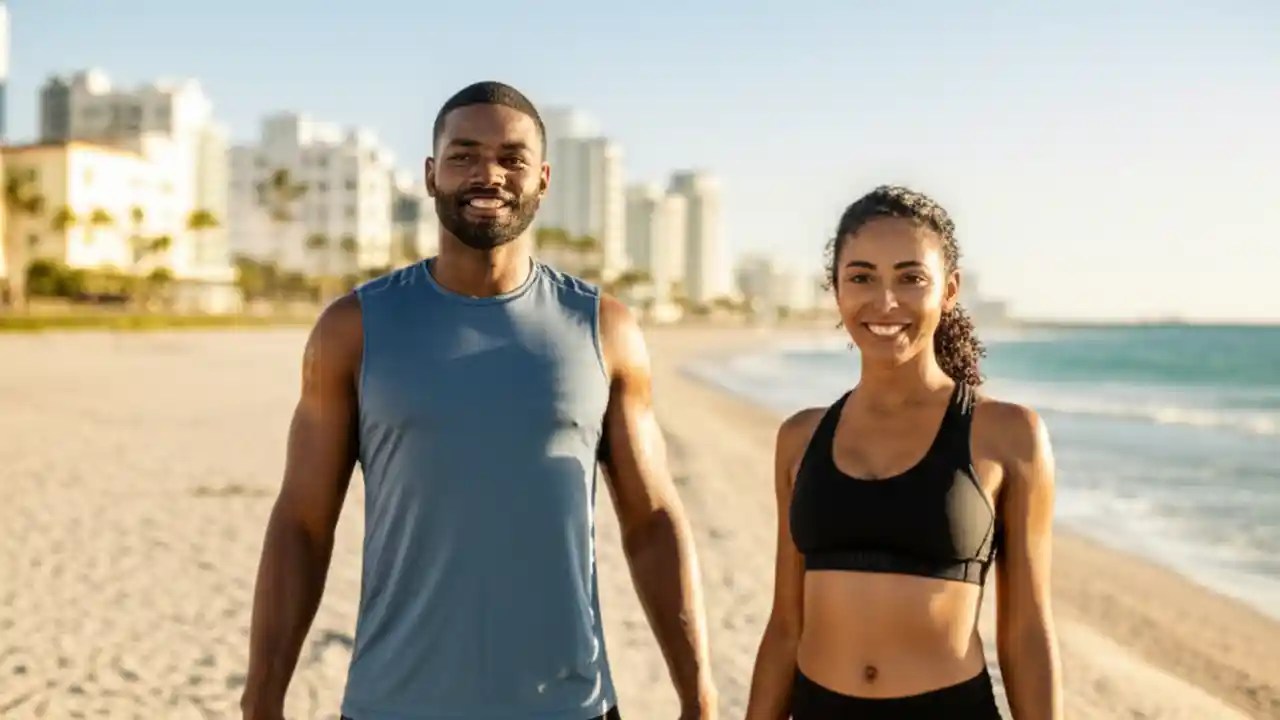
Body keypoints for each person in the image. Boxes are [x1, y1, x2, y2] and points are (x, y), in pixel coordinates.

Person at [239, 81, 717, 720]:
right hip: (394, 705)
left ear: (543, 179)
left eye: (512, 158)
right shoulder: (353, 329)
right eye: (464, 155)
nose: (488, 174)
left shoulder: (605, 330)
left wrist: (698, 695)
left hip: (570, 706)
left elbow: (653, 520)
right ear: (431, 174)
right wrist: (262, 697)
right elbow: (302, 522)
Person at [744, 185, 1062, 719]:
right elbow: (784, 626)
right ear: (837, 289)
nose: (885, 302)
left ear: (950, 289)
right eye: (862, 277)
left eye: (911, 278)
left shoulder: (1008, 435)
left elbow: (1027, 631)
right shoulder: (800, 439)